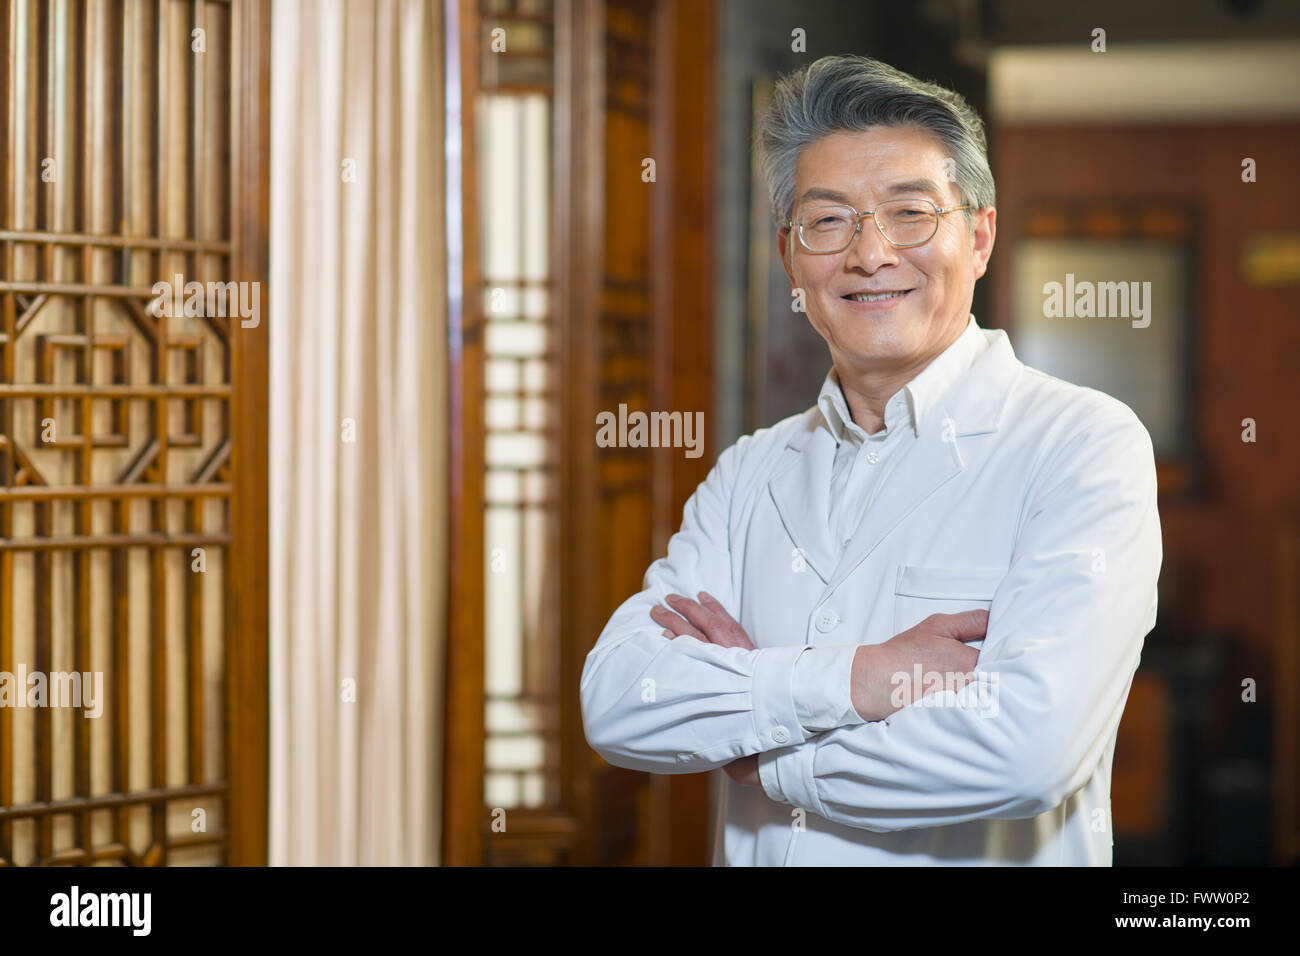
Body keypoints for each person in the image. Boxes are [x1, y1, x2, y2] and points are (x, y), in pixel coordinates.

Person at [579, 54, 1162, 866]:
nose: (870, 253)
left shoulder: (1081, 446)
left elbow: (1030, 750)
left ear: (980, 234)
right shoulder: (750, 472)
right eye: (829, 221)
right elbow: (620, 702)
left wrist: (772, 747)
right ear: (790, 257)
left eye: (910, 213)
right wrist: (859, 679)